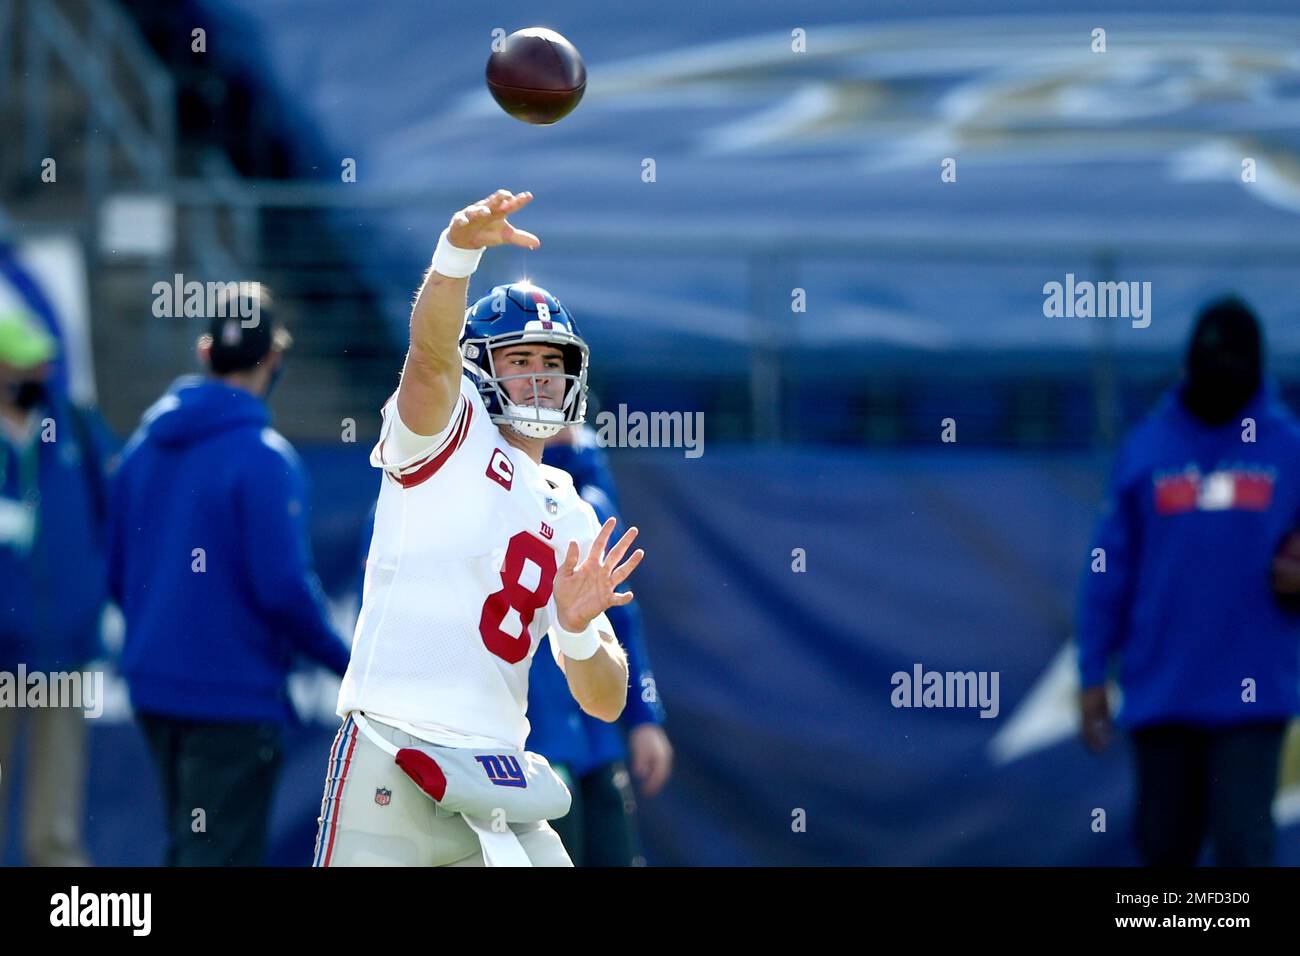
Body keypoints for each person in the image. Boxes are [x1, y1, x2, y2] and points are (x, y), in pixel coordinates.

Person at [315, 189, 642, 867]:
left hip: (497, 775)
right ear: (481, 365)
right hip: (392, 754)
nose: (540, 380)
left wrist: (578, 630)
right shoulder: (447, 431)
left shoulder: (572, 509)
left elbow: (607, 700)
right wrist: (457, 252)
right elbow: (431, 355)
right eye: (520, 361)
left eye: (552, 365)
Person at [109, 285, 351, 866]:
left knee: (191, 848)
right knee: (214, 857)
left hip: (154, 692)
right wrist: (351, 668)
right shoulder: (265, 459)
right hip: (235, 700)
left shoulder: (141, 448)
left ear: (203, 352)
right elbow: (284, 590)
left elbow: (117, 573)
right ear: (274, 359)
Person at [1077, 295, 1300, 866]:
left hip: (1252, 699)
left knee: (1243, 855)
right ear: (1187, 368)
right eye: (1210, 364)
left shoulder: (1287, 449)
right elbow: (1108, 567)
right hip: (1163, 694)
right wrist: (1091, 672)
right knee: (1165, 860)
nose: (1220, 379)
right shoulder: (1147, 449)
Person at [0, 312, 115, 866]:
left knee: (56, 827)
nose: (40, 373)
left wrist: (97, 603)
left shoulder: (71, 423)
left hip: (63, 647)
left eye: (43, 363)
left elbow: (110, 512)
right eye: (25, 364)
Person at [529, 423, 672, 866]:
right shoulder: (487, 492)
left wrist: (644, 718)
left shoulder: (591, 495)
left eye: (556, 371)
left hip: (593, 734)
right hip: (530, 737)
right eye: (524, 366)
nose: (544, 392)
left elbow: (622, 619)